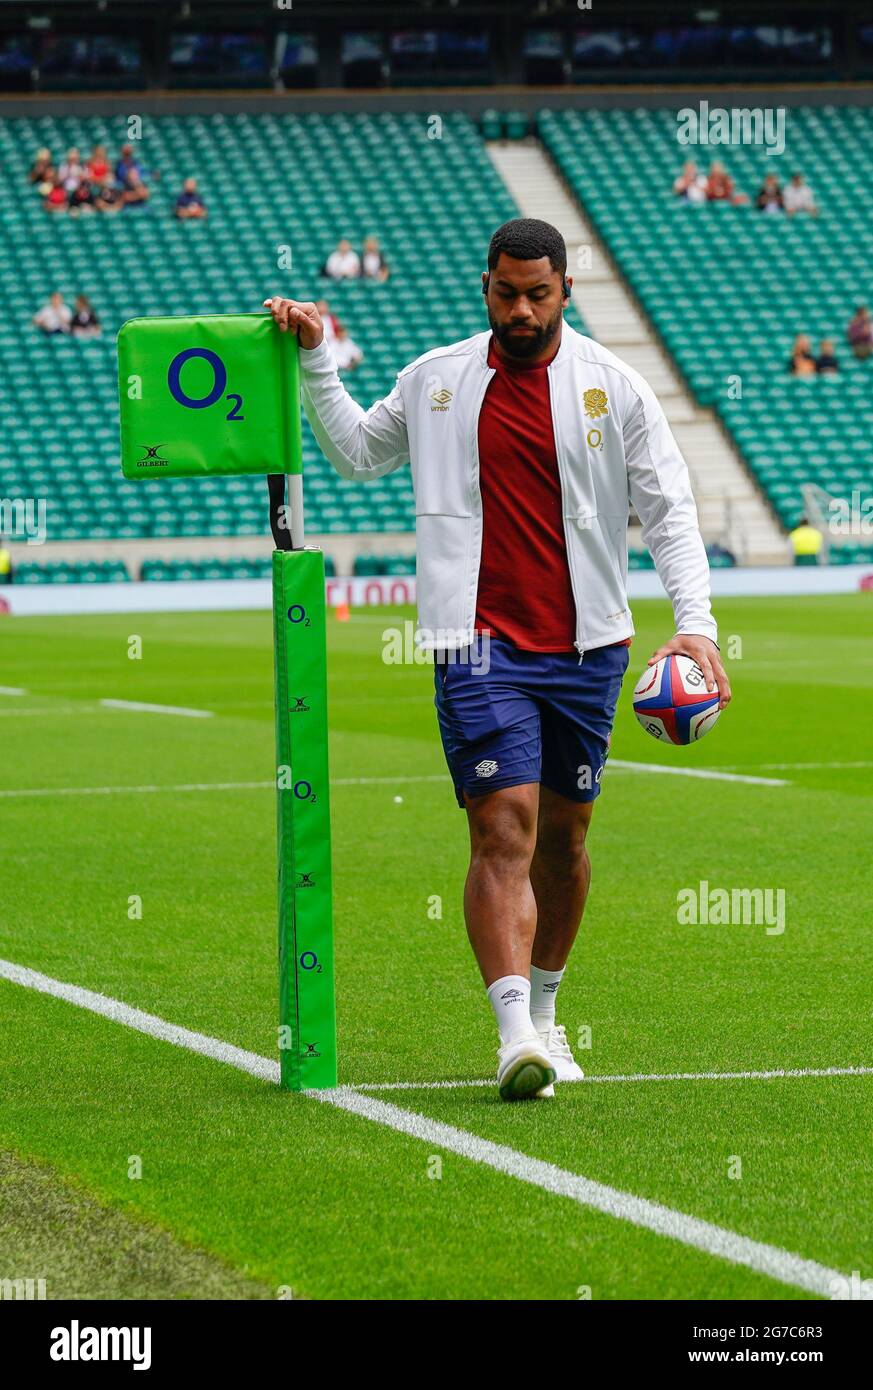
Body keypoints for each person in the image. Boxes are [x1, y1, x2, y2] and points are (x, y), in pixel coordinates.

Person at [263, 217, 730, 1103]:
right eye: (506, 292)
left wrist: (695, 626)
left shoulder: (613, 386)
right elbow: (360, 452)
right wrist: (319, 359)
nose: (522, 310)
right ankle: (514, 1034)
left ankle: (548, 1014)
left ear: (563, 292)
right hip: (476, 645)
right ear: (485, 287)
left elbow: (668, 511)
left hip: (589, 646)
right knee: (502, 824)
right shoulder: (436, 378)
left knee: (564, 839)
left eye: (538, 295)